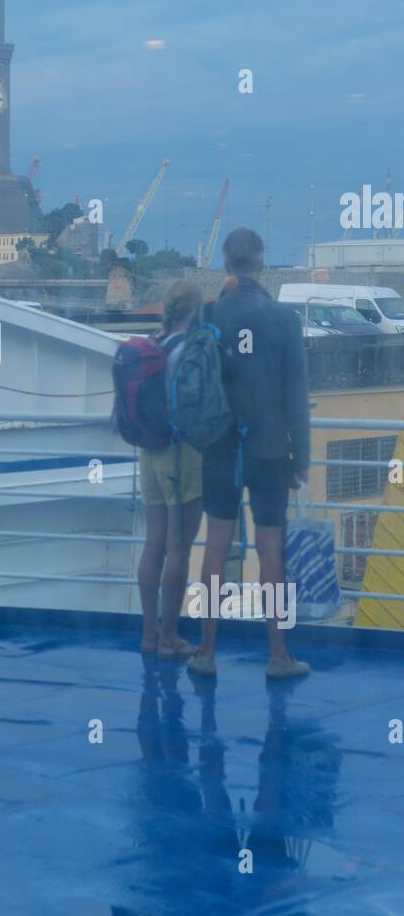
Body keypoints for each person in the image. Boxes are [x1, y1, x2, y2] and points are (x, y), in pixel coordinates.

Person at [188, 228, 310, 679]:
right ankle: (278, 654)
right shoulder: (283, 319)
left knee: (215, 545)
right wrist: (302, 458)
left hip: (219, 447)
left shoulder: (208, 314)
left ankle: (205, 651)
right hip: (270, 448)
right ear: (262, 264)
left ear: (226, 266)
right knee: (271, 547)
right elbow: (296, 394)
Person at [137, 280, 204, 658]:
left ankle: (149, 634)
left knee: (154, 545)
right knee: (179, 547)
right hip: (181, 454)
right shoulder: (189, 350)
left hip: (148, 452)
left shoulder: (153, 342)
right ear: (194, 312)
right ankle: (171, 637)